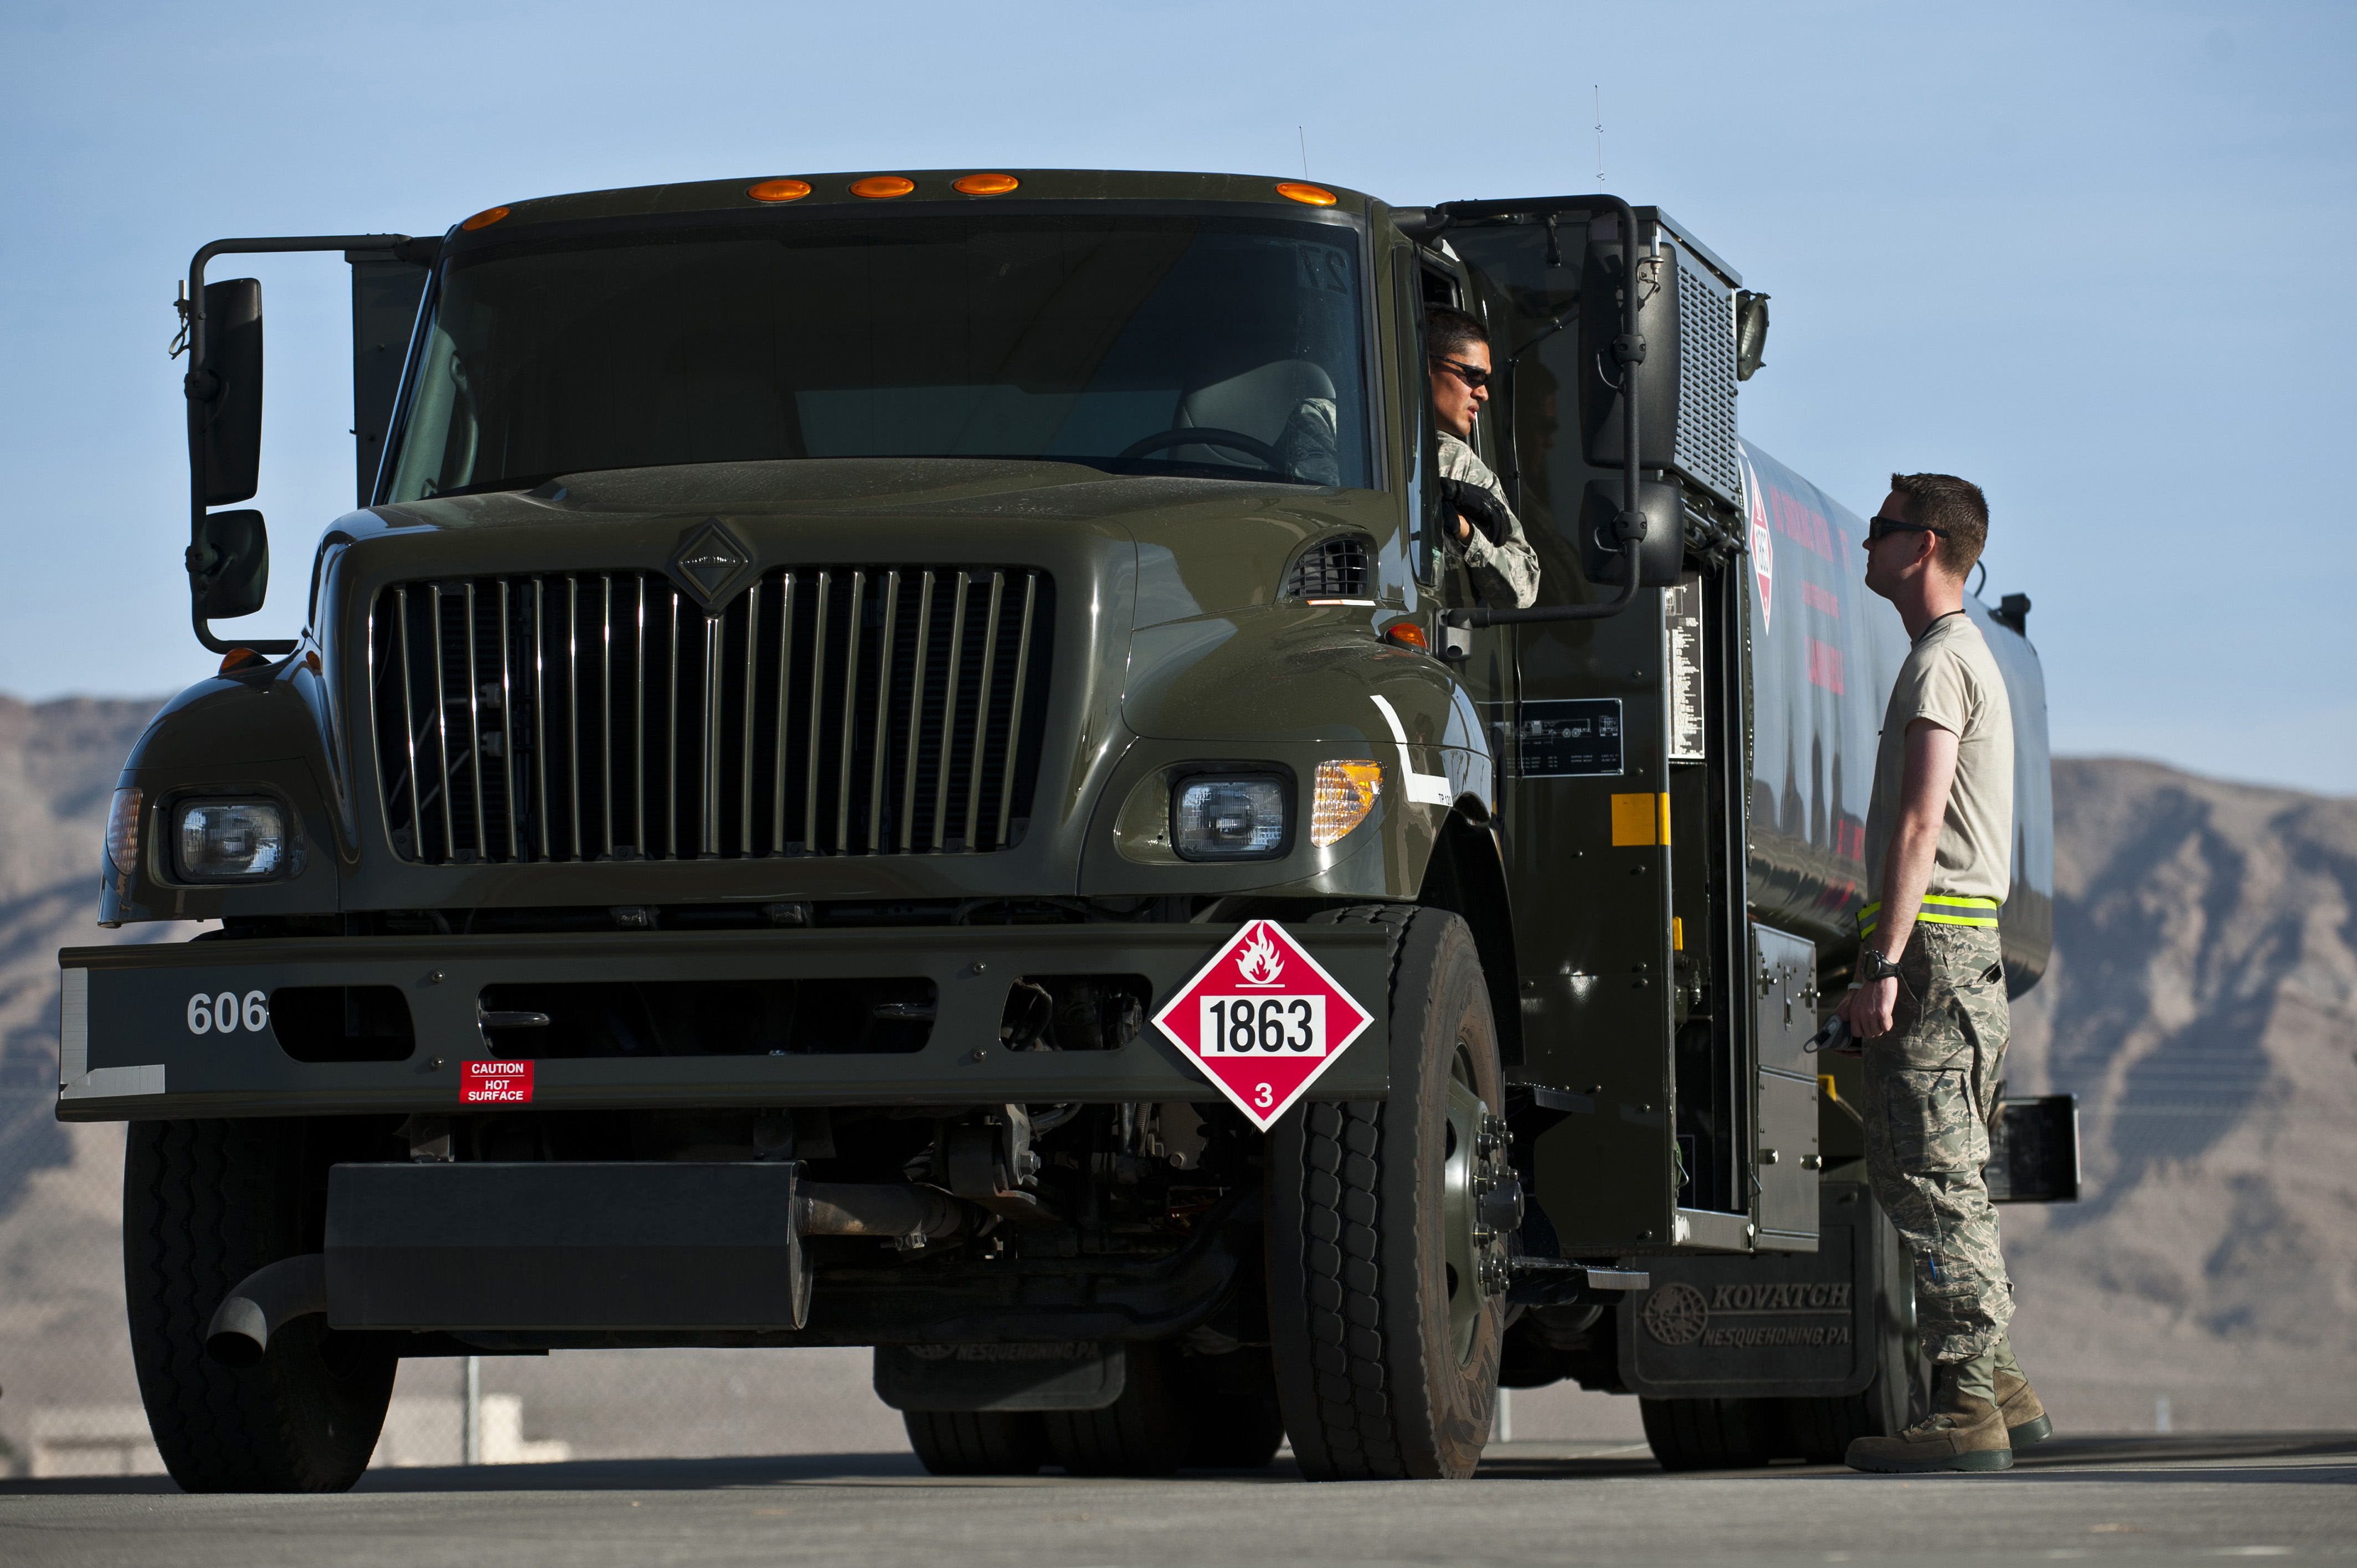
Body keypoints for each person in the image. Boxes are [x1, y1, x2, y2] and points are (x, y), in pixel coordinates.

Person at [1836, 473, 2049, 1474]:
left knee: (1927, 1176)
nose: (1865, 544)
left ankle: (1965, 1406)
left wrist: (1883, 963)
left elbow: (1921, 825)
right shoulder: (1962, 656)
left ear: (1923, 544)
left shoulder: (1939, 664)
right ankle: (2001, 1387)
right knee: (1937, 1170)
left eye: (1881, 529)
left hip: (1935, 957)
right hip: (1962, 960)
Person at [1425, 308, 1540, 609]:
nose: (1483, 393)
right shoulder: (1326, 425)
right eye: (1474, 376)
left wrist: (1465, 531)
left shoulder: (1457, 462)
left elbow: (1525, 586)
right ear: (1425, 364)